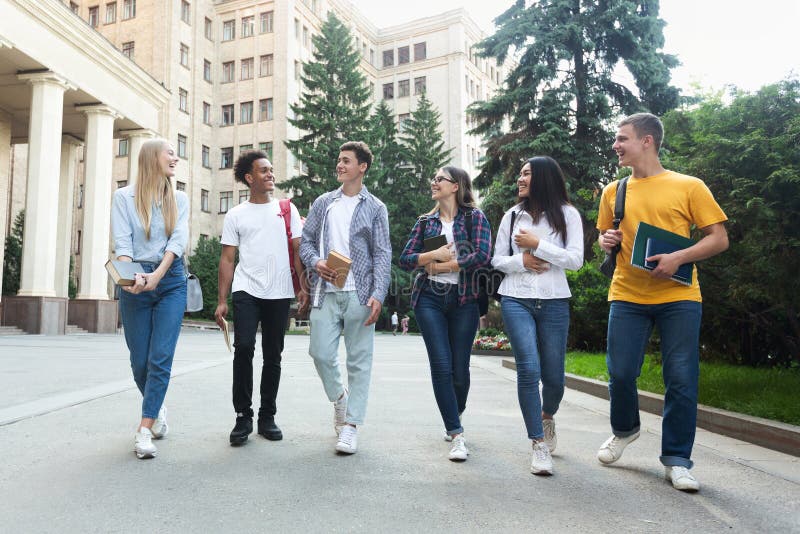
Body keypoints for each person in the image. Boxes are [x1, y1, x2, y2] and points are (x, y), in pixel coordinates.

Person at [596, 113, 728, 492]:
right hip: (627, 294)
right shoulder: (613, 191)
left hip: (679, 296)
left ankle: (676, 460)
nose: (616, 145)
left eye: (622, 139)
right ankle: (625, 430)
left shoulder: (689, 186)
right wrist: (606, 241)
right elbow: (607, 236)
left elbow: (718, 238)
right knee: (620, 372)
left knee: (682, 379)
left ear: (647, 141)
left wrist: (679, 258)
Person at [491, 156, 584, 475]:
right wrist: (523, 261)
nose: (520, 179)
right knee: (529, 370)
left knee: (554, 378)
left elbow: (575, 260)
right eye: (519, 174)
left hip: (555, 301)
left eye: (527, 174)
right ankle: (537, 444)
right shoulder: (512, 215)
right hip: (516, 298)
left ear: (543, 177)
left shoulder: (568, 214)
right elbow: (497, 260)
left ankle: (547, 417)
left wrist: (537, 245)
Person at [299, 141, 391, 455]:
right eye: (339, 160)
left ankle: (351, 426)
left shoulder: (376, 207)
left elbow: (382, 254)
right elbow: (306, 242)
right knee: (320, 352)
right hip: (326, 291)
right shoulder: (324, 203)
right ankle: (340, 400)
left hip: (360, 293)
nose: (340, 165)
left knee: (359, 362)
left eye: (346, 161)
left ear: (362, 167)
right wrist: (316, 262)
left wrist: (378, 292)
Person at [214, 150, 308, 446]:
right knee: (243, 347)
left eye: (271, 170)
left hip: (279, 291)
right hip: (246, 289)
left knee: (273, 354)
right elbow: (228, 259)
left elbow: (297, 252)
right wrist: (221, 300)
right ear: (249, 178)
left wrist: (303, 287)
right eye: (264, 171)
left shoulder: (286, 209)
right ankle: (243, 416)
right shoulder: (236, 214)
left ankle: (267, 415)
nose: (271, 174)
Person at [399, 166, 492, 462]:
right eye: (434, 179)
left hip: (465, 299)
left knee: (459, 370)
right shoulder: (426, 223)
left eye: (440, 179)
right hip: (429, 298)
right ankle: (456, 433)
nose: (434, 182)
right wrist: (432, 257)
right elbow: (406, 258)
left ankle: (455, 411)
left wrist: (447, 265)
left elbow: (482, 254)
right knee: (441, 366)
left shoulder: (474, 217)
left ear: (456, 186)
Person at [111, 138, 189, 459]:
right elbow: (122, 242)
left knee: (160, 358)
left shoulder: (179, 198)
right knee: (139, 361)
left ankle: (144, 428)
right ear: (151, 157)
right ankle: (156, 407)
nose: (176, 158)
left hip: (170, 280)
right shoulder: (123, 198)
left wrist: (156, 276)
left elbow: (178, 241)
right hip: (134, 279)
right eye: (170, 152)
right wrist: (131, 278)